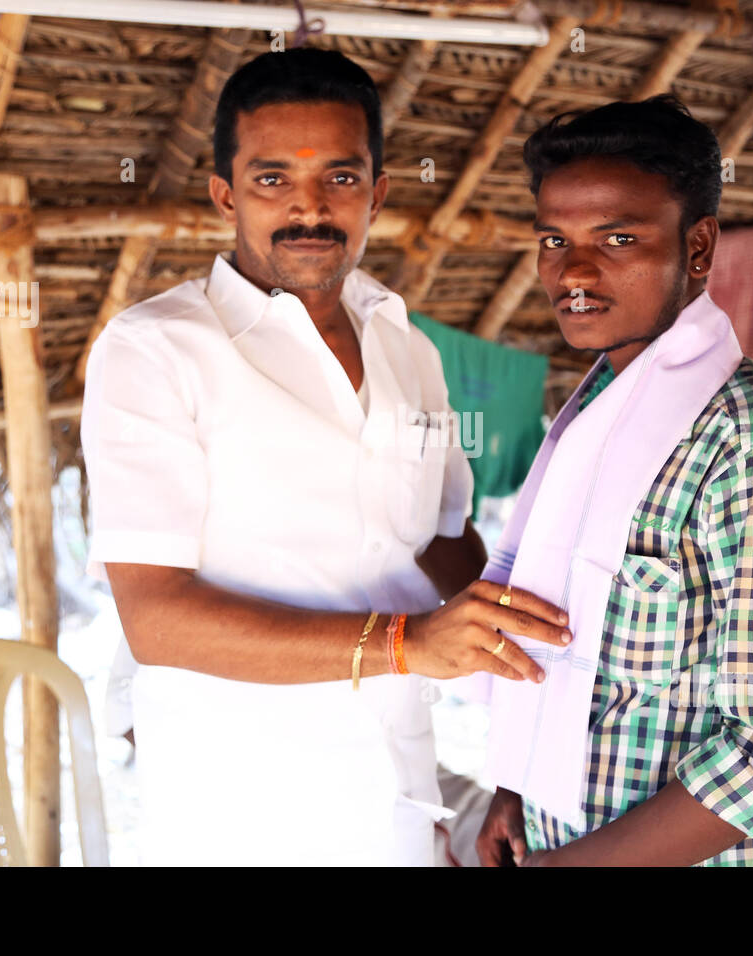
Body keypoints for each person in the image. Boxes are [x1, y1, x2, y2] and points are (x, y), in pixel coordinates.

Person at [80, 47, 570, 866]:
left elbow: (445, 543)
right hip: (242, 813)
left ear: (377, 192)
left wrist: (537, 669)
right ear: (225, 194)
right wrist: (411, 644)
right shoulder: (155, 350)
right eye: (272, 180)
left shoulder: (406, 345)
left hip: (402, 789)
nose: (309, 209)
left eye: (340, 179)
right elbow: (157, 618)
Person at [473, 96, 753, 866]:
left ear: (699, 247)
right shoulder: (592, 414)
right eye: (554, 238)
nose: (573, 270)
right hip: (546, 829)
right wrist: (515, 788)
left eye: (618, 237)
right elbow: (569, 645)